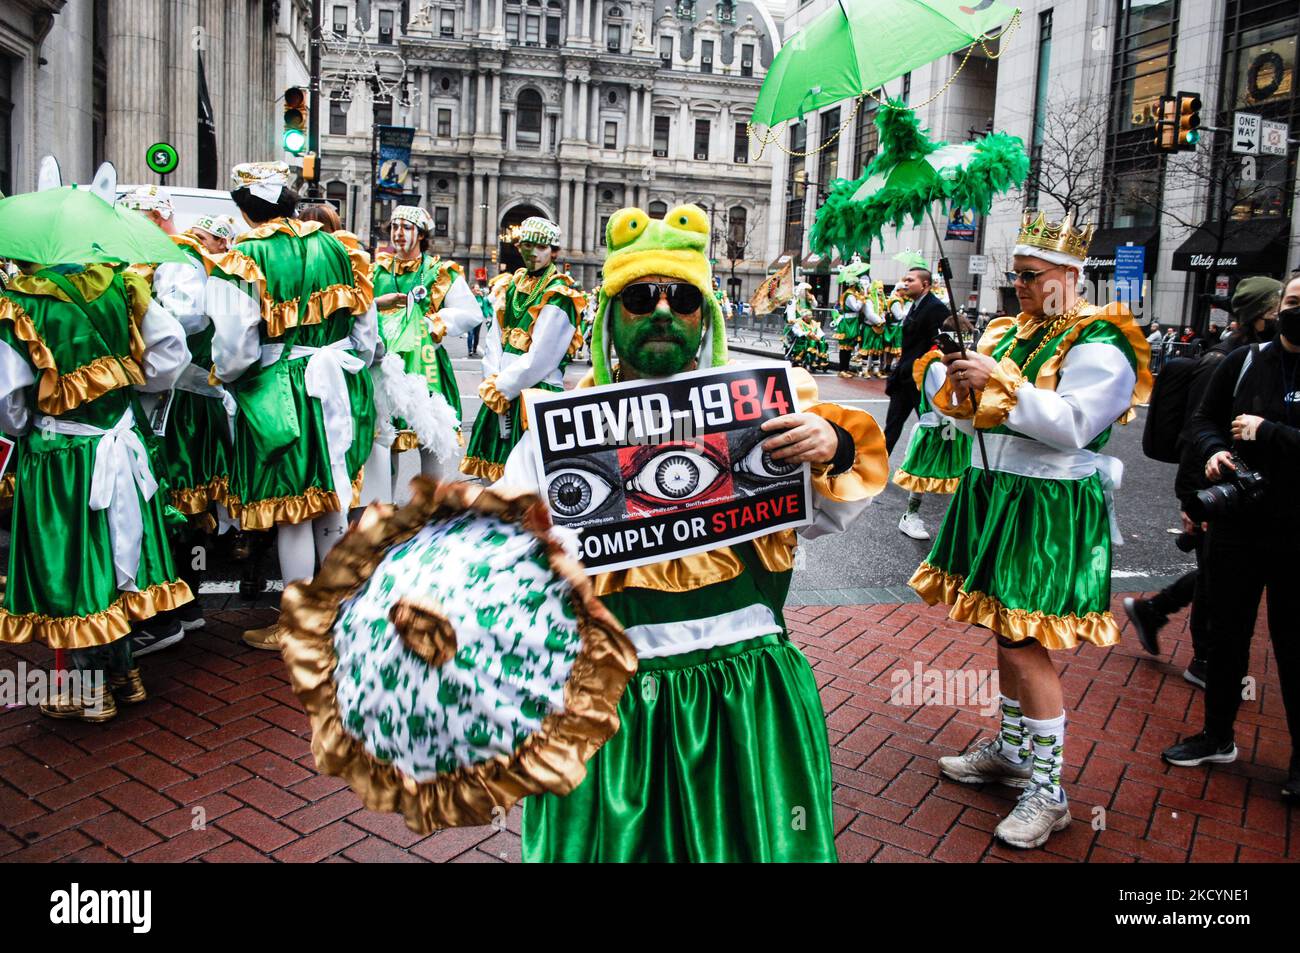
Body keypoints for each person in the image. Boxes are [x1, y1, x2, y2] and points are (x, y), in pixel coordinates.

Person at [500, 203, 889, 861]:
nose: (661, 310)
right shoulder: (555, 438)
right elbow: (504, 562)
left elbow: (829, 513)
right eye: (639, 296)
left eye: (681, 297)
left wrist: (832, 445)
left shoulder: (768, 406)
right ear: (609, 314)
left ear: (703, 315)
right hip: (611, 706)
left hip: (745, 699)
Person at [910, 209, 1151, 848]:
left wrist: (1000, 385)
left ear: (1070, 274)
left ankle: (1050, 790)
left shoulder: (1101, 340)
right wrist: (959, 387)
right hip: (996, 492)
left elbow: (1074, 423)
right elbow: (974, 423)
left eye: (1031, 274)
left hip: (1048, 507)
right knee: (1001, 625)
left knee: (1024, 642)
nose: (1019, 285)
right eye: (1015, 275)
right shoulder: (1008, 333)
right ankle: (1015, 752)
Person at [0, 192, 194, 721]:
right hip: (120, 441)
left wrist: (29, 427)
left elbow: (8, 399)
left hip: (62, 454)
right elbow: (171, 351)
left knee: (72, 567)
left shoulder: (22, 304)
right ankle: (124, 673)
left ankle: (89, 691)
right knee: (114, 557)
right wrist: (131, 399)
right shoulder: (123, 286)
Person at [203, 161, 377, 651]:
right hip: (339, 384)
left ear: (245, 209)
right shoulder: (340, 247)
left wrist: (235, 379)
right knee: (331, 502)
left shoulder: (246, 256)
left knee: (294, 511)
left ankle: (298, 624)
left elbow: (234, 349)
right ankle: (337, 614)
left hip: (284, 389)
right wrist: (350, 366)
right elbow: (367, 337)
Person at [1163, 274, 1300, 801]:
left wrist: (1268, 433)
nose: (1295, 311)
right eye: (1291, 302)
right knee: (1225, 637)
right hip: (1238, 525)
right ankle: (1216, 736)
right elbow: (1201, 422)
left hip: (1297, 534)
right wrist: (1214, 450)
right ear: (1276, 308)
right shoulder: (1244, 362)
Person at [1124, 276, 1283, 688]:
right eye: (1278, 307)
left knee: (1218, 571)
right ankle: (1202, 658)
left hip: (1229, 490)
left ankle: (1156, 611)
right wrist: (1197, 502)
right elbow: (1199, 432)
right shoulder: (1228, 361)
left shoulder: (1264, 359)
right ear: (1261, 315)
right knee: (1217, 575)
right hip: (1212, 488)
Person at [119, 189, 243, 653]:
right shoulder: (163, 257)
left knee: (181, 507)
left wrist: (135, 314)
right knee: (186, 509)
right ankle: (186, 603)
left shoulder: (178, 258)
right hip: (182, 398)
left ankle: (175, 607)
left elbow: (187, 319)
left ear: (154, 216)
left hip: (182, 401)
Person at [460, 217, 585, 482]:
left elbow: (543, 358)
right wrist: (492, 379)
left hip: (535, 397)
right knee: (494, 483)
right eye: (527, 245)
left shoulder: (559, 294)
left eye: (540, 247)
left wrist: (503, 387)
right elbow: (494, 338)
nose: (533, 252)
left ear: (553, 251)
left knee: (531, 484)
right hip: (502, 395)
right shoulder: (511, 287)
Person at [362, 206, 473, 503]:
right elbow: (361, 309)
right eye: (394, 226)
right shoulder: (377, 270)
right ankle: (384, 509)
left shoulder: (439, 271)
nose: (398, 233)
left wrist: (433, 325)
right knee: (386, 441)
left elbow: (469, 312)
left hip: (426, 366)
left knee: (431, 437)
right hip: (384, 370)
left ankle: (430, 513)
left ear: (421, 235)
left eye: (406, 227)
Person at [893, 344, 972, 540]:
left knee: (963, 473)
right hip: (937, 427)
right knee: (923, 473)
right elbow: (942, 398)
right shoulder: (937, 364)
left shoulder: (961, 362)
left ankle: (961, 521)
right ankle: (910, 515)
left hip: (956, 426)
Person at [882, 266, 951, 454]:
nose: (906, 283)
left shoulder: (936, 308)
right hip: (904, 378)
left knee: (930, 426)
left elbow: (939, 345)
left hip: (921, 381)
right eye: (905, 279)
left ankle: (936, 471)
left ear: (925, 284)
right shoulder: (914, 305)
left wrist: (920, 368)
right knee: (892, 427)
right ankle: (874, 471)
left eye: (911, 280)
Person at [831, 256, 870, 378]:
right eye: (857, 283)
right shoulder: (849, 295)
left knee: (849, 347)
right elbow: (856, 307)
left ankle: (846, 368)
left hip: (853, 321)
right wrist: (862, 299)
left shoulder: (853, 294)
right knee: (845, 347)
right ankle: (842, 369)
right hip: (848, 322)